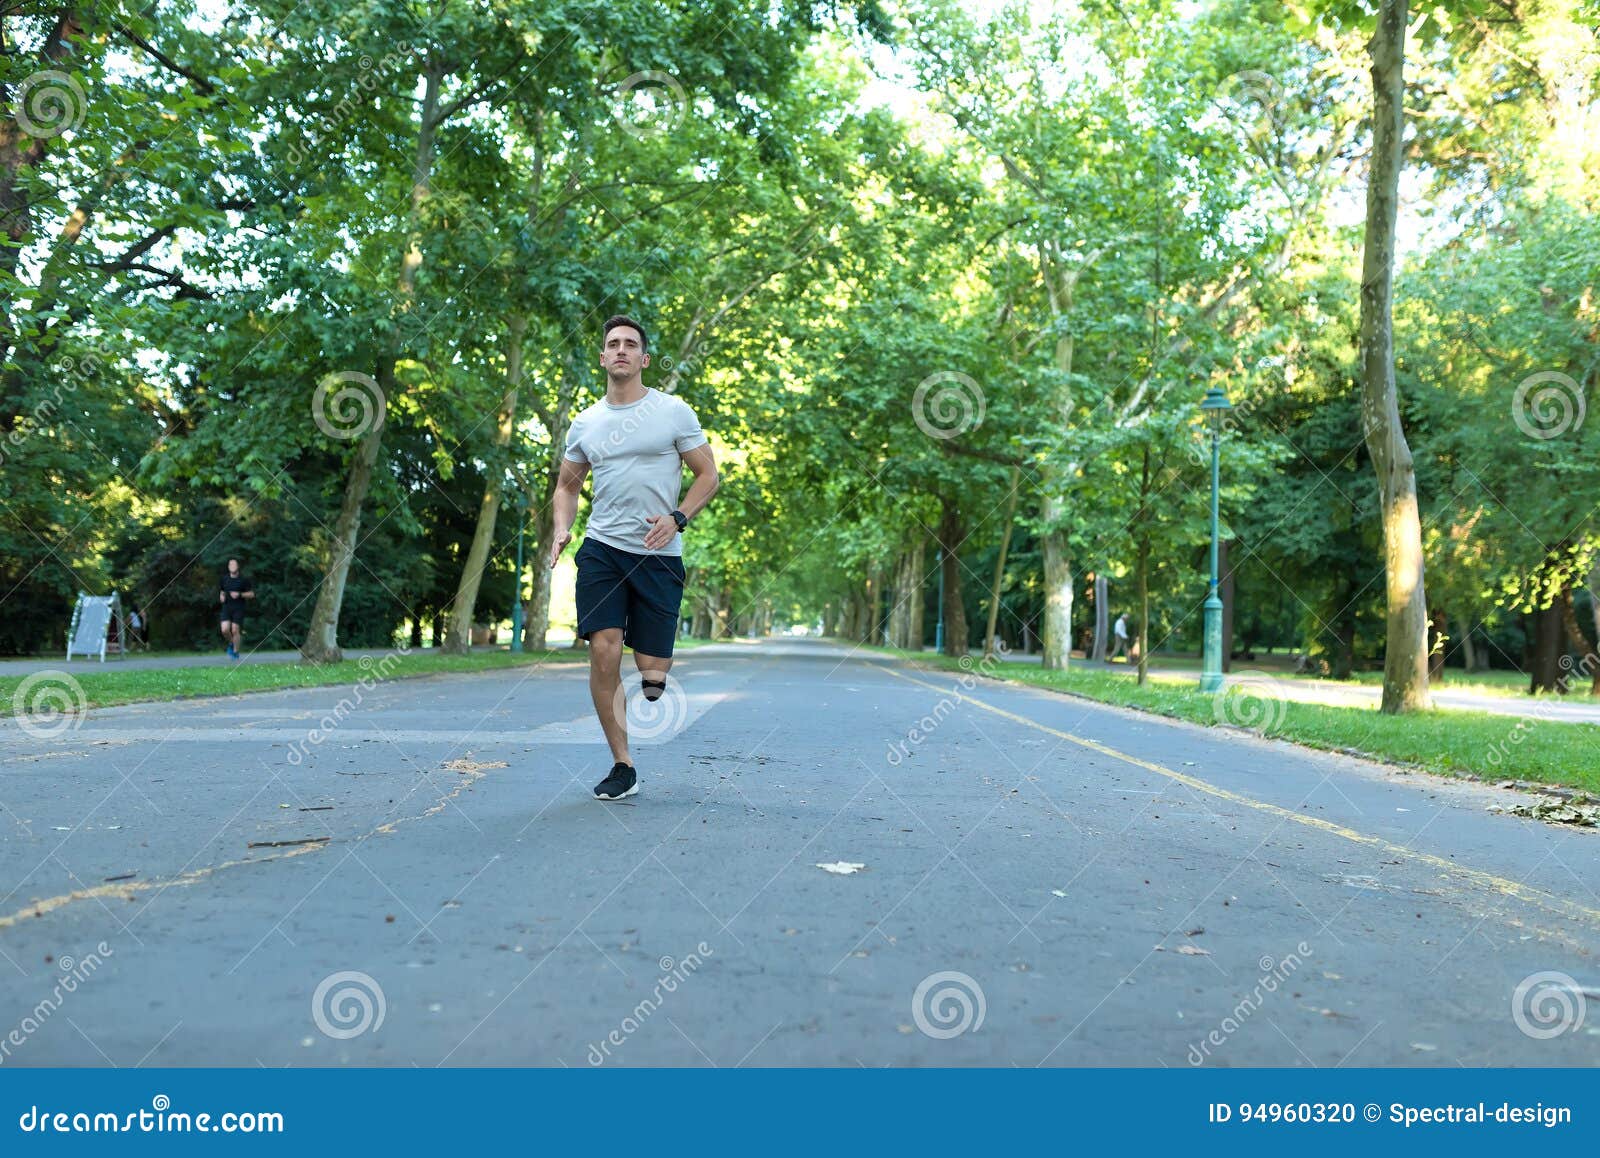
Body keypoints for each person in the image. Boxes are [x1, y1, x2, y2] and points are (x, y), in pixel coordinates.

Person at [549, 315, 719, 801]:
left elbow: (709, 475)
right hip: (602, 549)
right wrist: (563, 528)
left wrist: (679, 517)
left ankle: (652, 670)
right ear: (602, 358)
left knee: (652, 673)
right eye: (612, 344)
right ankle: (623, 765)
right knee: (603, 646)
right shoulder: (586, 423)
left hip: (658, 551)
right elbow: (567, 485)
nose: (620, 350)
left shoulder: (673, 413)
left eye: (630, 345)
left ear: (644, 360)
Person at [218, 558, 255, 659]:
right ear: (228, 567)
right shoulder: (224, 579)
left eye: (234, 564)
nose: (232, 566)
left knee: (235, 630)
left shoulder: (244, 580)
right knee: (225, 630)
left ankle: (235, 652)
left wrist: (239, 594)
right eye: (230, 564)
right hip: (226, 607)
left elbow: (251, 594)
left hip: (238, 608)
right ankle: (232, 643)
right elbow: (222, 591)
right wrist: (221, 596)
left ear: (238, 566)